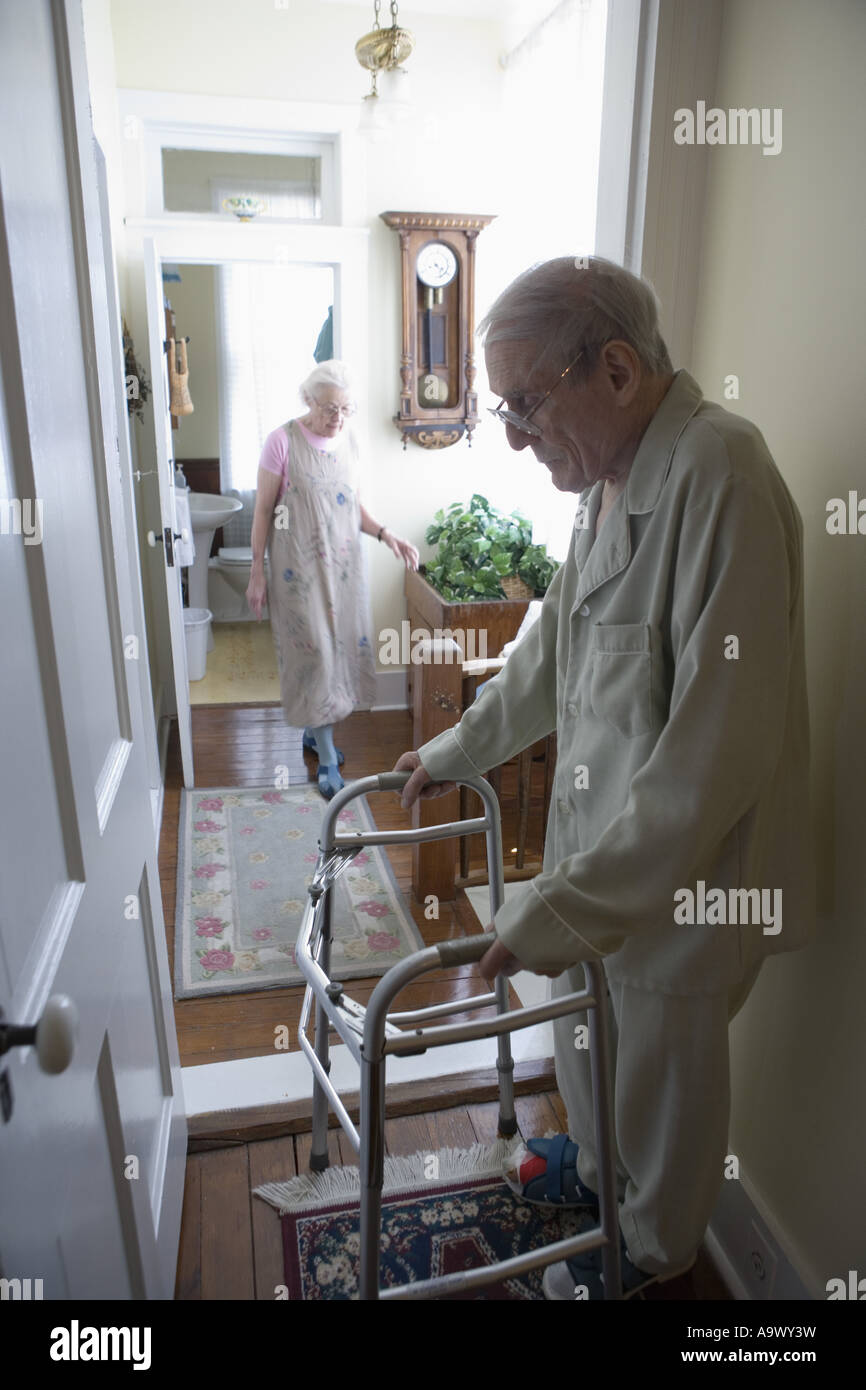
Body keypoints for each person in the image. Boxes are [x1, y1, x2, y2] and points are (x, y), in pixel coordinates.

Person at [395, 256, 815, 1300]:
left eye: (526, 403)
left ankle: (647, 1263)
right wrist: (452, 749)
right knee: (583, 1038)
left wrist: (566, 904)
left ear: (616, 371)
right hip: (601, 856)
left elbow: (714, 754)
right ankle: (589, 1176)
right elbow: (547, 659)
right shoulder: (604, 483)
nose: (513, 436)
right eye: (504, 407)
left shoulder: (718, 475)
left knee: (663, 1096)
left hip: (687, 882)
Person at [247, 360, 419, 798]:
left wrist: (386, 534)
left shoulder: (350, 444)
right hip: (297, 574)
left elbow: (351, 507)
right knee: (316, 657)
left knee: (339, 655)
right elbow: (263, 511)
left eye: (345, 409)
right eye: (328, 408)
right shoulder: (280, 443)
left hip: (343, 572)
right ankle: (325, 757)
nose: (337, 418)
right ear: (308, 401)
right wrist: (256, 574)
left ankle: (314, 730)